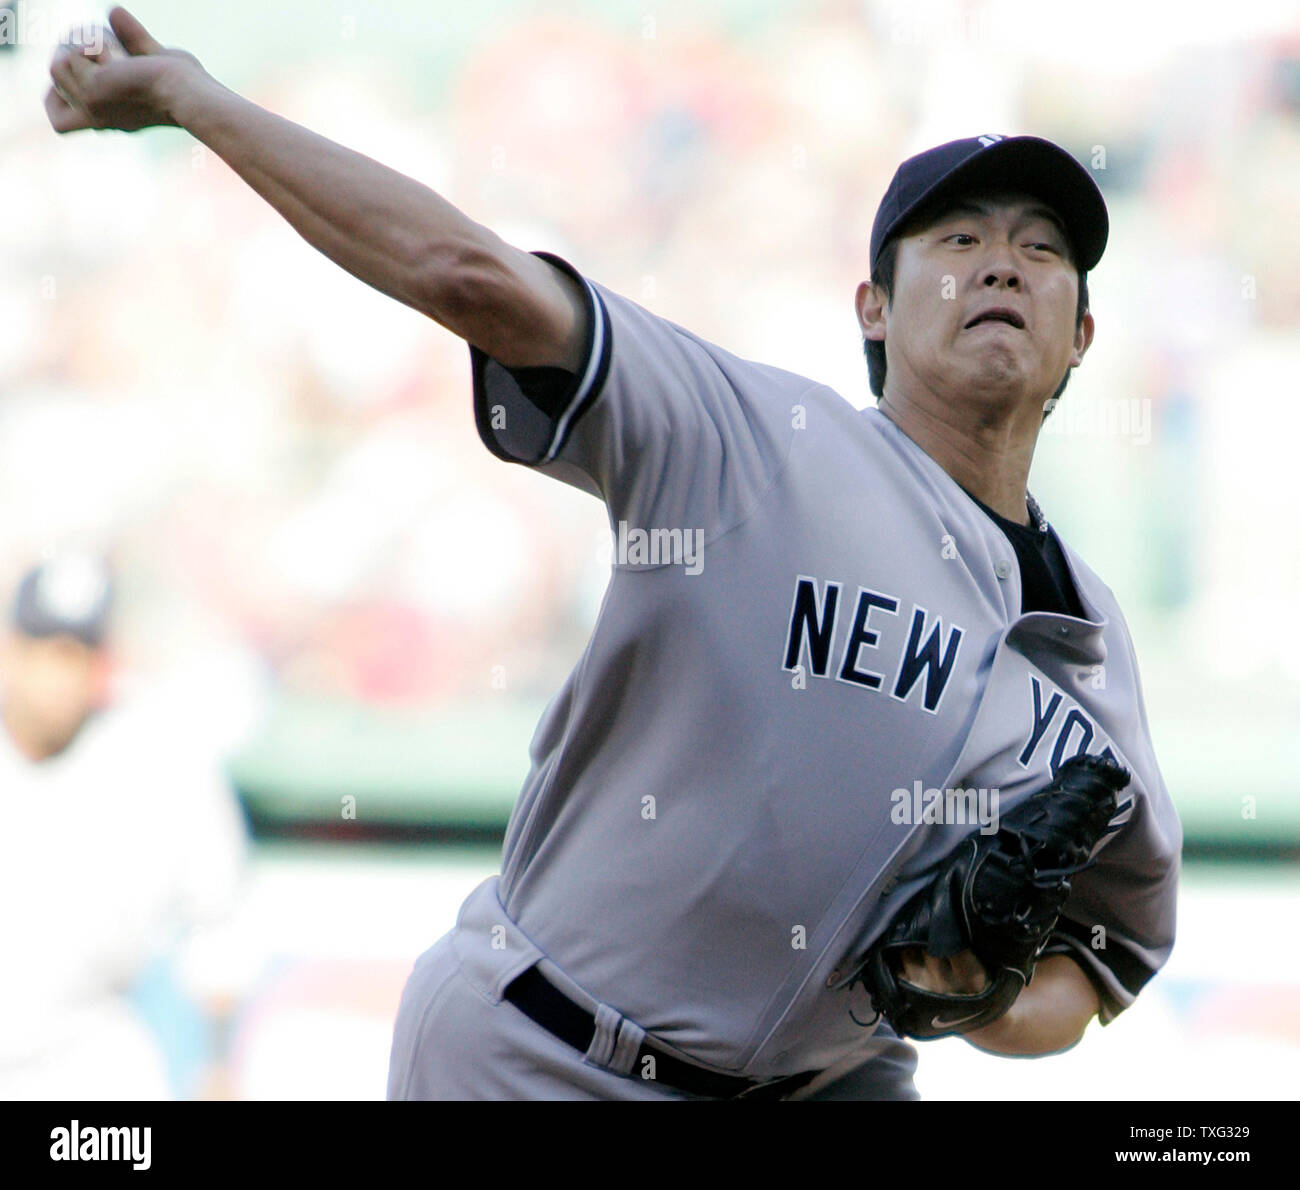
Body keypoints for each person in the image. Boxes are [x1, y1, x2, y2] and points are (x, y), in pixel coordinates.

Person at [46, 10, 1181, 1100]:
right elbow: (470, 276)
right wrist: (196, 100)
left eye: (1040, 249)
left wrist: (978, 999)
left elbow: (1100, 963)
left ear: (1080, 329)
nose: (1001, 265)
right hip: (541, 1055)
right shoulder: (747, 442)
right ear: (872, 307)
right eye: (959, 240)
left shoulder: (1094, 655)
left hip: (821, 1083)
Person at [0, 553, 249, 1098]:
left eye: (82, 655)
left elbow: (217, 924)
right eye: (50, 652)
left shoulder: (157, 758)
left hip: (89, 1061)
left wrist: (218, 1063)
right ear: (12, 650)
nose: (63, 677)